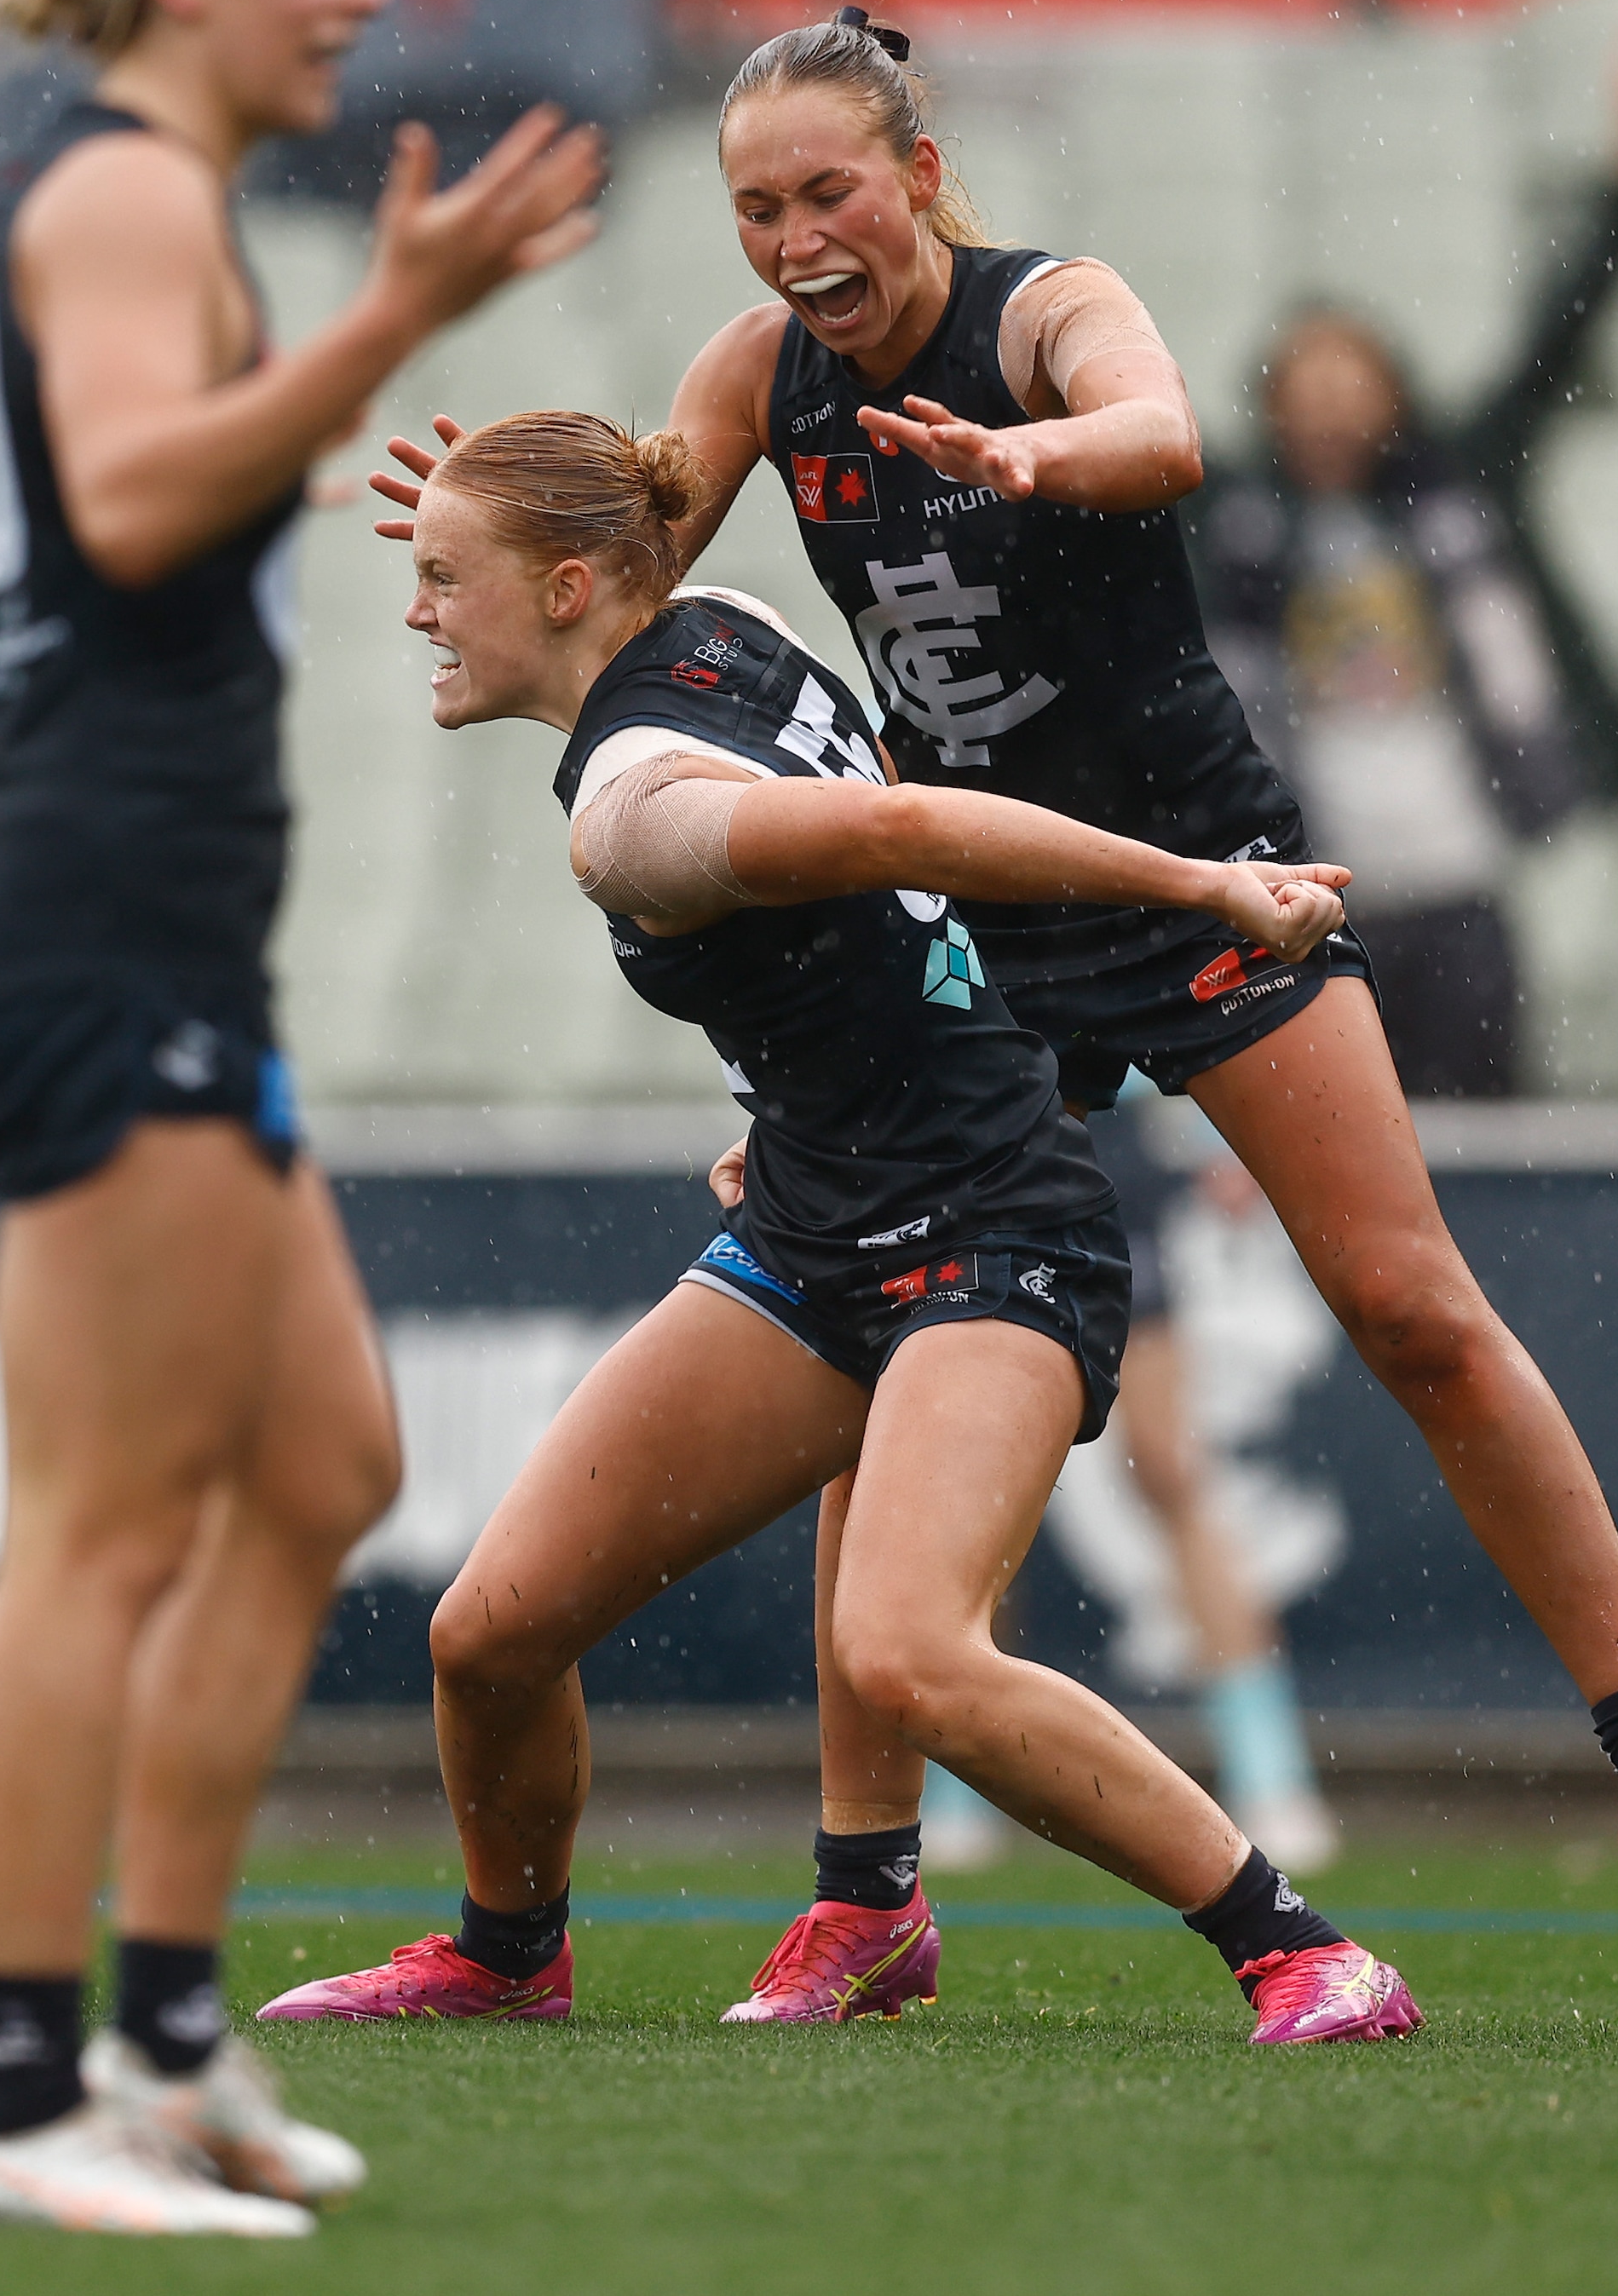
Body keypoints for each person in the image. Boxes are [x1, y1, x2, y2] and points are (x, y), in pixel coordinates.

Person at [376, 9, 1618, 2024]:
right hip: (989, 908)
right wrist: (510, 537)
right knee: (885, 1296)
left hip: (1190, 867)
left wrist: (1031, 455)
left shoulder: (1040, 319)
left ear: (919, 176)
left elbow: (1165, 431)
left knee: (1408, 1305)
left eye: (828, 192)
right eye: (755, 206)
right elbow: (635, 577)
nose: (791, 240)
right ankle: (871, 1888)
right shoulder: (755, 374)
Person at [259, 411, 1419, 2050]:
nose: (418, 608)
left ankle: (1301, 1947)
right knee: (490, 1634)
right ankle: (518, 1949)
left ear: (574, 583)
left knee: (911, 1649)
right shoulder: (731, 622)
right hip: (817, 1222)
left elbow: (895, 835)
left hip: (997, 1220)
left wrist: (1202, 886)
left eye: (448, 574)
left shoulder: (630, 811)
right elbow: (870, 899)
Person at [0, 0, 602, 2236]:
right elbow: (103, 510)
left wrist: (264, 462)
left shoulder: (43, 222)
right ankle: (8, 2094)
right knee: (98, 1530)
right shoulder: (120, 201)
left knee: (314, 1465)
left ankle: (172, 2044)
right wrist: (386, 332)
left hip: (129, 916)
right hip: (97, 916)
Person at [1196, 55, 1618, 1097]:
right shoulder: (1233, 525)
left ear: (1391, 394)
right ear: (1270, 406)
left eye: (1349, 380)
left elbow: (1555, 343)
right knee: (1352, 1141)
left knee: (1485, 1138)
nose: (1328, 408)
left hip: (1462, 882)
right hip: (1319, 891)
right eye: (1305, 386)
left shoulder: (1457, 488)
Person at [1093, 1097, 1339, 1874]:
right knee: (966, 1483)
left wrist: (1223, 1130)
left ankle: (1270, 1774)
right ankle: (941, 1792)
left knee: (1169, 1467)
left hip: (1106, 1159)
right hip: (983, 1146)